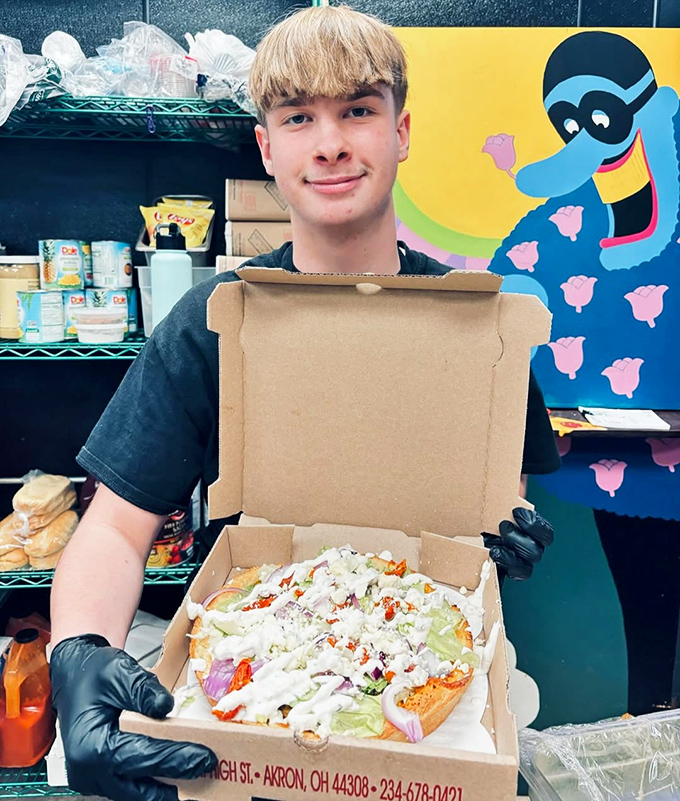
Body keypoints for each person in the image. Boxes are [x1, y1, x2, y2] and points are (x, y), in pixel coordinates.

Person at [48, 6, 560, 801]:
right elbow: (114, 526)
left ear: (402, 130)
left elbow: (503, 500)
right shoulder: (213, 324)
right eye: (298, 117)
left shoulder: (483, 329)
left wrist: (502, 540)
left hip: (419, 706)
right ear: (267, 145)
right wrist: (78, 652)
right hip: (253, 711)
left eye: (358, 109)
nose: (329, 142)